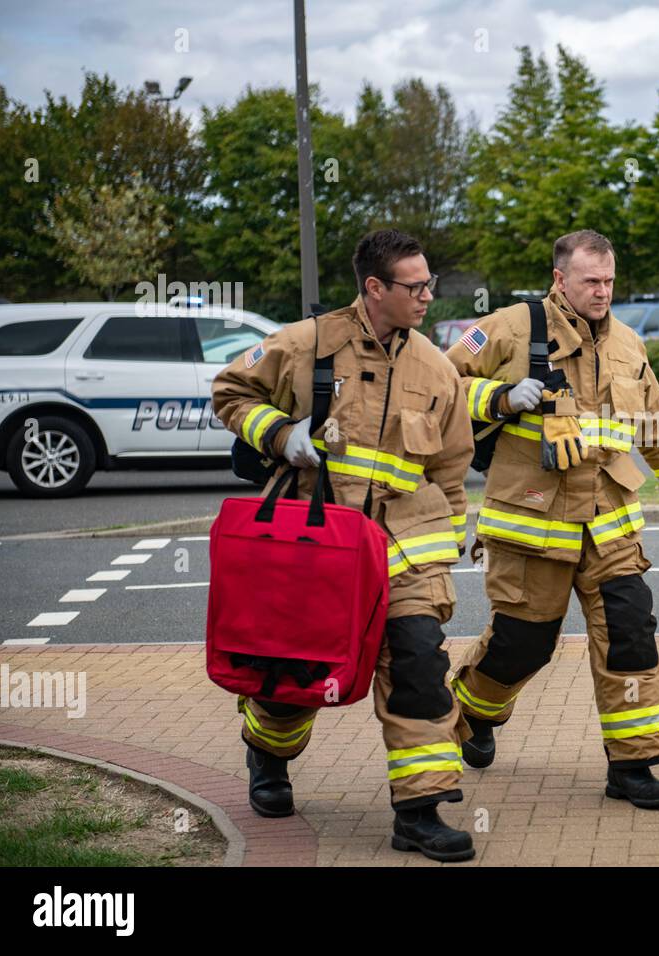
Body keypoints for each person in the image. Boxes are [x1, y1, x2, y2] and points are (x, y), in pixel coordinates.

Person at [212, 229, 477, 861]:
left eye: (430, 282)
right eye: (414, 286)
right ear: (374, 288)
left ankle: (419, 811)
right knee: (292, 673)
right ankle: (268, 756)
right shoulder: (305, 344)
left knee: (420, 669)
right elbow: (230, 391)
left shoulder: (438, 368)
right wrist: (279, 434)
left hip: (404, 552)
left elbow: (450, 468)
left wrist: (449, 544)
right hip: (317, 546)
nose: (427, 295)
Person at [445, 229, 659, 809]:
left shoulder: (628, 344)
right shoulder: (511, 328)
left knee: (629, 634)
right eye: (592, 280)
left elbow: (655, 421)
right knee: (523, 645)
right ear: (559, 278)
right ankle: (472, 711)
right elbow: (440, 387)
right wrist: (501, 398)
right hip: (532, 524)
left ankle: (634, 764)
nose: (603, 292)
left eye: (610, 281)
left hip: (609, 521)